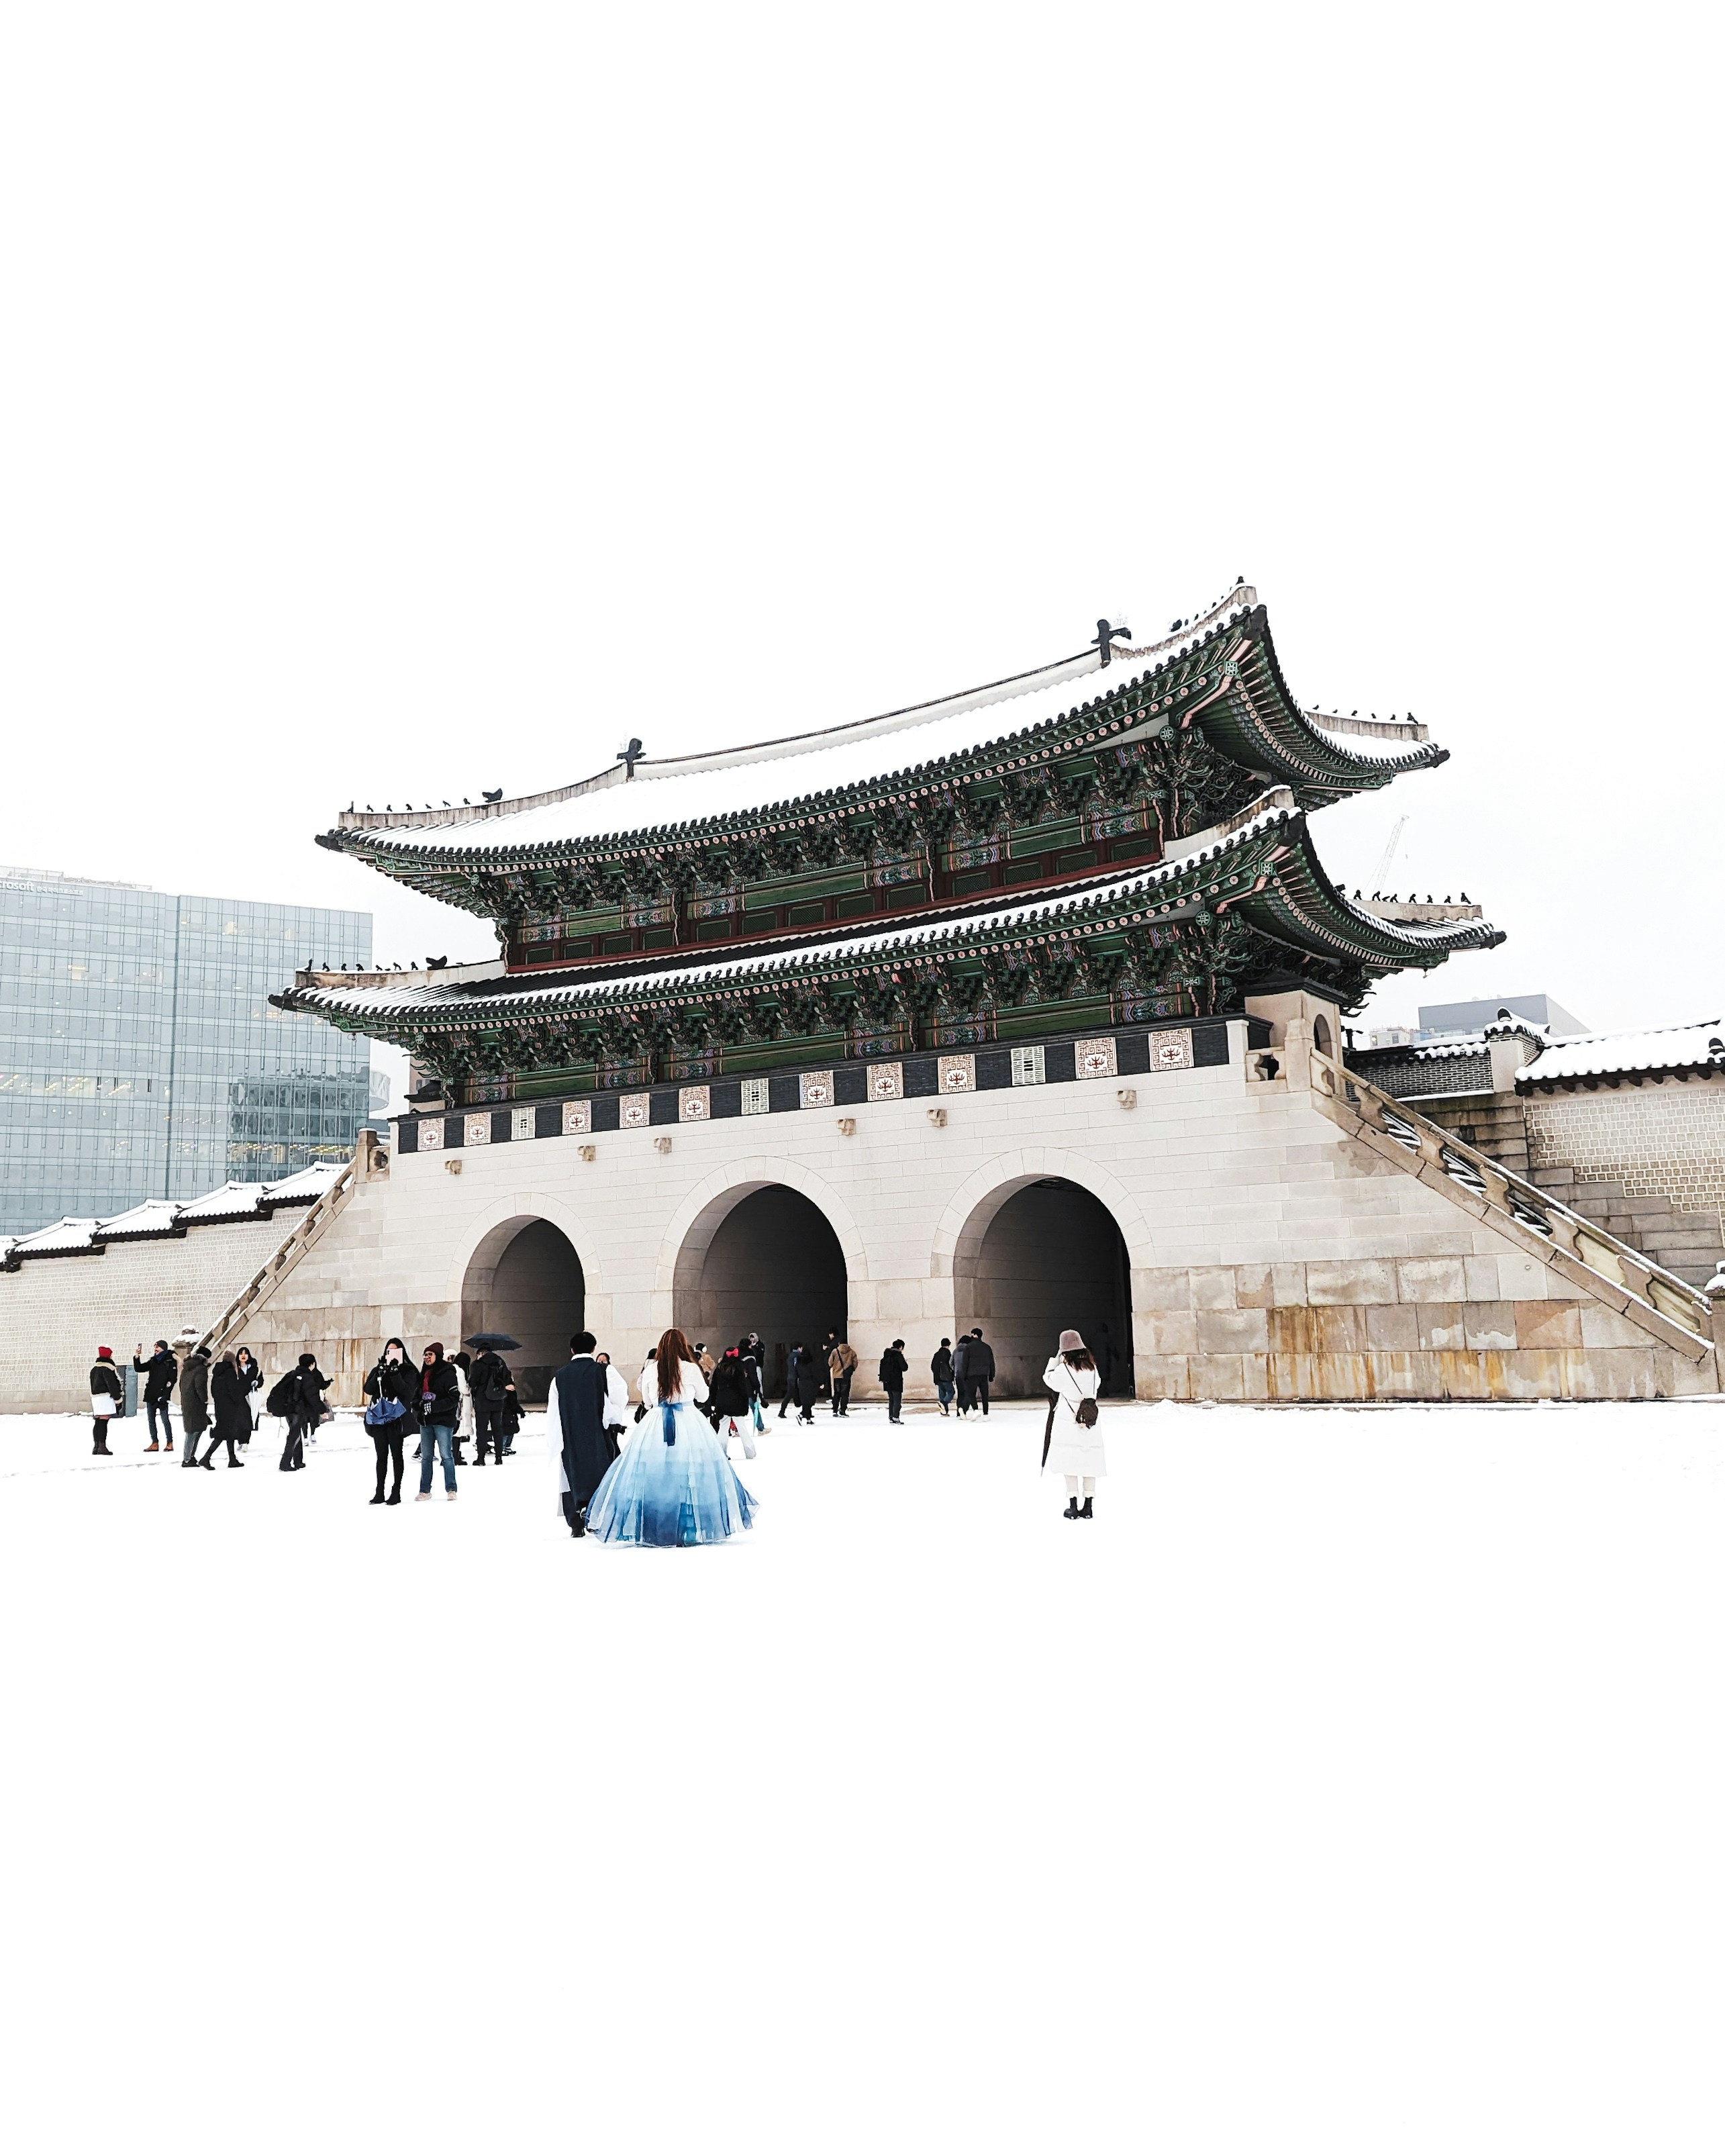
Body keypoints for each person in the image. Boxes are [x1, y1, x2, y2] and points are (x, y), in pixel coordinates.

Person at [585, 1326, 756, 1547]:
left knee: (655, 1473)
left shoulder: (651, 1370)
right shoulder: (690, 1369)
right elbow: (703, 1396)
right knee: (692, 1471)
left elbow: (647, 1401)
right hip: (688, 1420)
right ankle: (689, 1524)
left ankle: (656, 1524)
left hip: (655, 1423)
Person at [550, 1330, 630, 1537]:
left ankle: (576, 1520)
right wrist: (613, 1419)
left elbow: (554, 1411)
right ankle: (600, 1514)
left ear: (572, 1350)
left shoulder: (560, 1376)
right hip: (599, 1432)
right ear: (594, 1349)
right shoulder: (604, 1371)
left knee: (571, 1474)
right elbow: (619, 1395)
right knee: (603, 1471)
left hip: (570, 1434)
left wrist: (557, 1439)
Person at [1043, 1330, 1103, 1518]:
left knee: (1069, 1463)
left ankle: (1072, 1505)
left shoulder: (1064, 1370)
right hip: (1090, 1421)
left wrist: (1054, 1360)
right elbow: (1097, 1385)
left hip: (1069, 1422)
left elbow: (1049, 1379)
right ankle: (1088, 1505)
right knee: (1090, 1462)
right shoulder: (1093, 1369)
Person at [362, 1338, 417, 1504]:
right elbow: (368, 1389)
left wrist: (395, 1374)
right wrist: (379, 1373)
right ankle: (379, 1491)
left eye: (395, 1351)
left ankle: (396, 1491)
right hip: (379, 1418)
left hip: (397, 1418)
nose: (391, 1354)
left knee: (396, 1455)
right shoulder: (379, 1368)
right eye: (389, 1351)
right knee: (381, 1456)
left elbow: (406, 1391)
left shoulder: (408, 1370)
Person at [415, 1342, 460, 1500]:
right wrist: (419, 1407)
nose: (427, 1358)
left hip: (443, 1420)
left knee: (446, 1455)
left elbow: (454, 1397)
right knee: (426, 1456)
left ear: (437, 1356)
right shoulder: (423, 1373)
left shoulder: (448, 1373)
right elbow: (417, 1395)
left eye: (430, 1355)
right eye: (425, 1355)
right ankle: (425, 1490)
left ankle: (451, 1488)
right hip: (426, 1420)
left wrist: (434, 1407)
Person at [707, 1342, 758, 1459]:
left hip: (722, 1400)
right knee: (742, 1427)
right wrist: (745, 1401)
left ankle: (721, 1452)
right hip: (736, 1400)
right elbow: (742, 1387)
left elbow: (713, 1386)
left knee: (723, 1428)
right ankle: (750, 1452)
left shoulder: (719, 1368)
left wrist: (713, 1402)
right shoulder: (739, 1367)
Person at [280, 1353, 328, 1473]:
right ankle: (285, 1463)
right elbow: (312, 1397)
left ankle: (298, 1461)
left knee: (296, 1434)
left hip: (289, 1409)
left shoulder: (293, 1374)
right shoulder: (307, 1377)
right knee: (294, 1435)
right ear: (312, 1365)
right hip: (297, 1410)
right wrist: (322, 1410)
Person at [469, 1343, 516, 1465]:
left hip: (482, 1401)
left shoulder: (478, 1365)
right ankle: (499, 1457)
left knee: (482, 1430)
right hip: (498, 1401)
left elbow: (473, 1382)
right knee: (498, 1429)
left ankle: (481, 1458)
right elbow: (507, 1377)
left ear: (481, 1354)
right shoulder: (500, 1362)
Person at [202, 1351, 250, 1469]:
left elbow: (213, 1391)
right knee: (223, 1433)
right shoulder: (230, 1373)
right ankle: (206, 1457)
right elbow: (233, 1391)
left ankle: (232, 1459)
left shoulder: (217, 1372)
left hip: (220, 1406)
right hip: (230, 1408)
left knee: (230, 1433)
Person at [133, 1340, 178, 1452]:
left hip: (162, 1395)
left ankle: (169, 1442)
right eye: (155, 1348)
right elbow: (139, 1369)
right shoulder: (153, 1361)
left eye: (158, 1348)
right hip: (151, 1395)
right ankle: (154, 1442)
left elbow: (172, 1380)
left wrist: (166, 1395)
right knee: (151, 1421)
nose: (156, 1349)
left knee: (165, 1420)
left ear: (164, 1348)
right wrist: (137, 1357)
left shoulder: (170, 1361)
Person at [178, 1346, 211, 1467]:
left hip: (187, 1401)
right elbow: (200, 1386)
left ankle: (190, 1456)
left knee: (192, 1430)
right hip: (197, 1403)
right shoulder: (201, 1369)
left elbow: (181, 1384)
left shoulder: (187, 1367)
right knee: (194, 1431)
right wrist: (205, 1399)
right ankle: (188, 1459)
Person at [89, 1347, 123, 1455]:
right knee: (104, 1421)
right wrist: (118, 1399)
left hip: (96, 1398)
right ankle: (102, 1447)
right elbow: (112, 1385)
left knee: (98, 1421)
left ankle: (96, 1446)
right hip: (105, 1397)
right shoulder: (108, 1369)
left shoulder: (94, 1369)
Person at [234, 1346, 264, 1444]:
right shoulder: (234, 1369)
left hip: (250, 1398)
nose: (243, 1356)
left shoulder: (255, 1369)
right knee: (238, 1421)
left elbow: (261, 1381)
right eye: (241, 1354)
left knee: (249, 1420)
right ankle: (240, 1441)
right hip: (237, 1398)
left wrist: (257, 1383)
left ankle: (246, 1442)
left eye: (245, 1353)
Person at [450, 1350, 473, 1465]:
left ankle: (454, 1454)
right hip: (460, 1403)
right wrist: (469, 1387)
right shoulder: (459, 1371)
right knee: (458, 1432)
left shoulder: (451, 1368)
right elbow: (463, 1388)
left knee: (454, 1432)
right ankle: (455, 1456)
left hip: (454, 1403)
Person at [965, 1328, 995, 1417]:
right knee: (985, 1395)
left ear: (975, 1335)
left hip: (972, 1374)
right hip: (984, 1374)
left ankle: (976, 1409)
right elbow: (991, 1362)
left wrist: (964, 1374)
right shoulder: (987, 1347)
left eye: (972, 1334)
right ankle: (986, 1414)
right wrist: (991, 1375)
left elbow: (965, 1362)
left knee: (970, 1393)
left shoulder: (968, 1347)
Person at [878, 1339, 907, 1424]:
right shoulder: (898, 1356)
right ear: (901, 1347)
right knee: (897, 1400)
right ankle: (896, 1417)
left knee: (891, 1400)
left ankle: (891, 1416)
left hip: (887, 1381)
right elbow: (904, 1367)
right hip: (896, 1380)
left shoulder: (887, 1355)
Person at [828, 1337, 858, 1418]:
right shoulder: (852, 1352)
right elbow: (855, 1363)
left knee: (837, 1393)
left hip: (837, 1376)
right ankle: (842, 1410)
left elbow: (830, 1363)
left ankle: (835, 1410)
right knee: (845, 1394)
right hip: (846, 1377)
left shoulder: (835, 1351)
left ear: (839, 1343)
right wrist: (851, 1370)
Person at [793, 1344, 822, 1424]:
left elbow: (796, 1374)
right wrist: (820, 1382)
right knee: (810, 1401)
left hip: (802, 1383)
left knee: (806, 1401)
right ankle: (801, 1415)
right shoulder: (811, 1363)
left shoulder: (798, 1363)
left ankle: (808, 1419)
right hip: (811, 1383)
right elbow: (815, 1373)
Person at [931, 1338, 955, 1416]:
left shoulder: (937, 1354)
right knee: (951, 1392)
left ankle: (944, 1411)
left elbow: (933, 1366)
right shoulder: (947, 1353)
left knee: (942, 1394)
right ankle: (944, 1403)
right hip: (946, 1377)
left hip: (938, 1378)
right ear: (948, 1345)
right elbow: (951, 1365)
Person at [952, 1332, 974, 1416]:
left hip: (958, 1375)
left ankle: (959, 1410)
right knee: (968, 1393)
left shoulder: (955, 1350)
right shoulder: (969, 1349)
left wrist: (956, 1370)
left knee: (960, 1394)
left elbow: (951, 1363)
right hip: (967, 1374)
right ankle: (964, 1410)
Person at [778, 1342, 801, 1420]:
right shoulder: (797, 1356)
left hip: (790, 1377)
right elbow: (797, 1367)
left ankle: (783, 1411)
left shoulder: (790, 1356)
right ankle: (782, 1412)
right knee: (790, 1395)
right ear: (799, 1348)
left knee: (791, 1394)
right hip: (795, 1378)